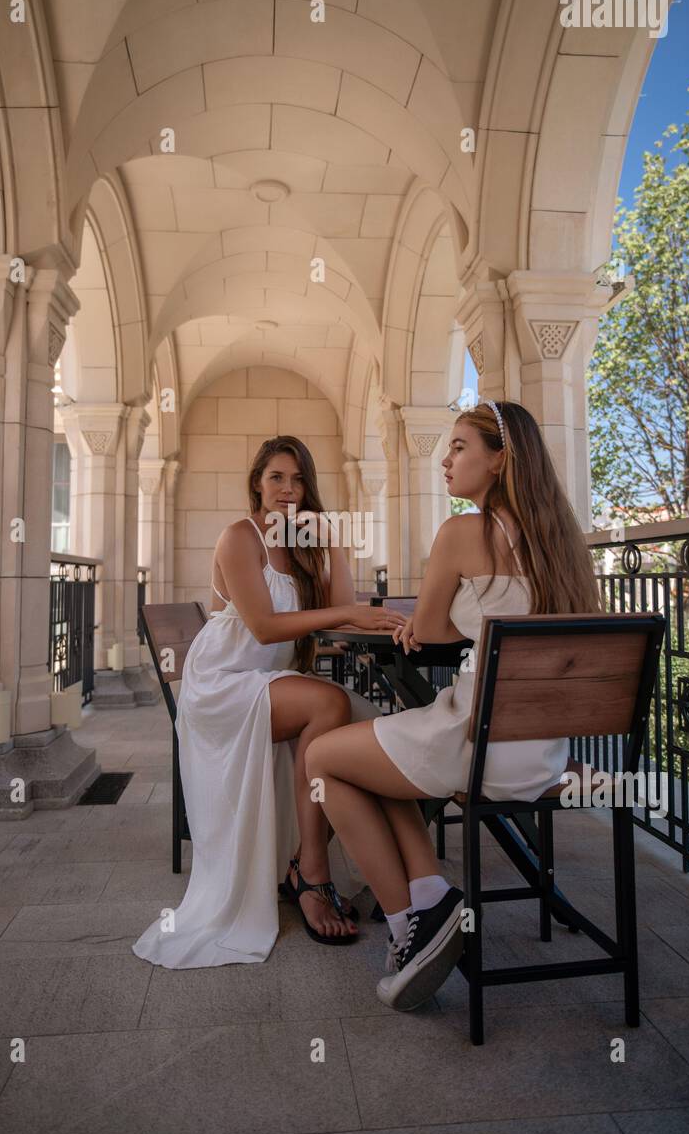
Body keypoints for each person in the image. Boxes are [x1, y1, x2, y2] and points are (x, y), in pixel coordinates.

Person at [305, 400, 603, 1011]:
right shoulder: (565, 544)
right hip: (544, 758)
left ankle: (407, 927)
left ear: (500, 459)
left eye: (461, 446)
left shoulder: (463, 533)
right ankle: (429, 892)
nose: (445, 459)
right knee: (382, 750)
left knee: (323, 756)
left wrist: (430, 624)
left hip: (478, 750)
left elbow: (434, 627)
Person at [132, 435, 407, 970]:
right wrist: (344, 615)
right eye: (277, 478)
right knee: (330, 704)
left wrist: (333, 546)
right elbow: (261, 628)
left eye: (298, 479)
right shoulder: (241, 537)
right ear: (257, 482)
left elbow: (342, 614)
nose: (288, 489)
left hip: (268, 682)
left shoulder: (303, 543)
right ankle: (312, 871)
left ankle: (380, 869)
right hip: (222, 684)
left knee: (363, 717)